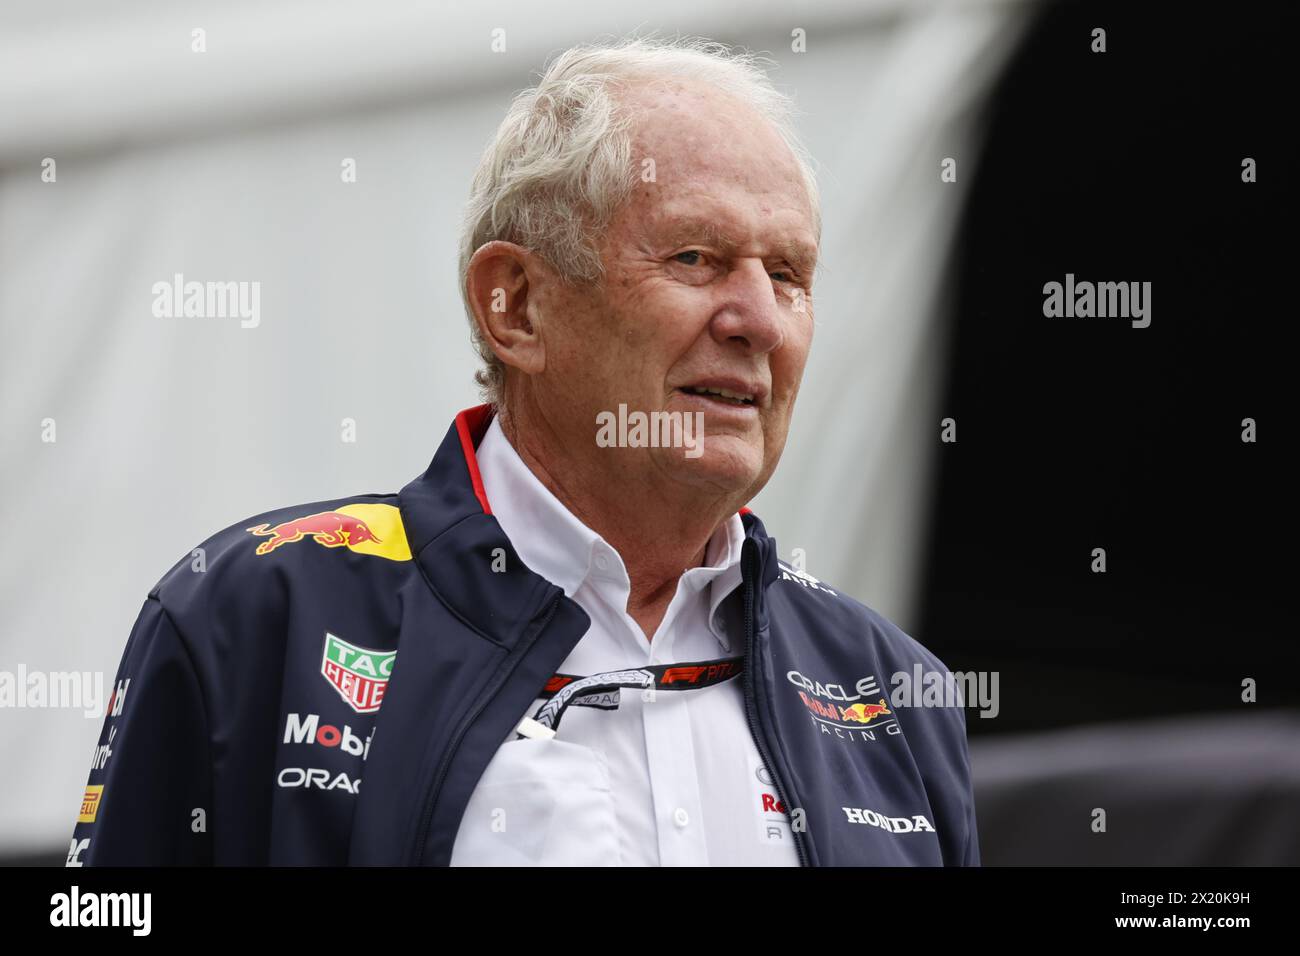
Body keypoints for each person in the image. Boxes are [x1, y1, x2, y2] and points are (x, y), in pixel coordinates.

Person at [68, 35, 979, 867]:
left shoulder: (888, 686)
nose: (757, 322)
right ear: (517, 306)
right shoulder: (260, 613)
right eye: (696, 258)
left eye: (788, 276)